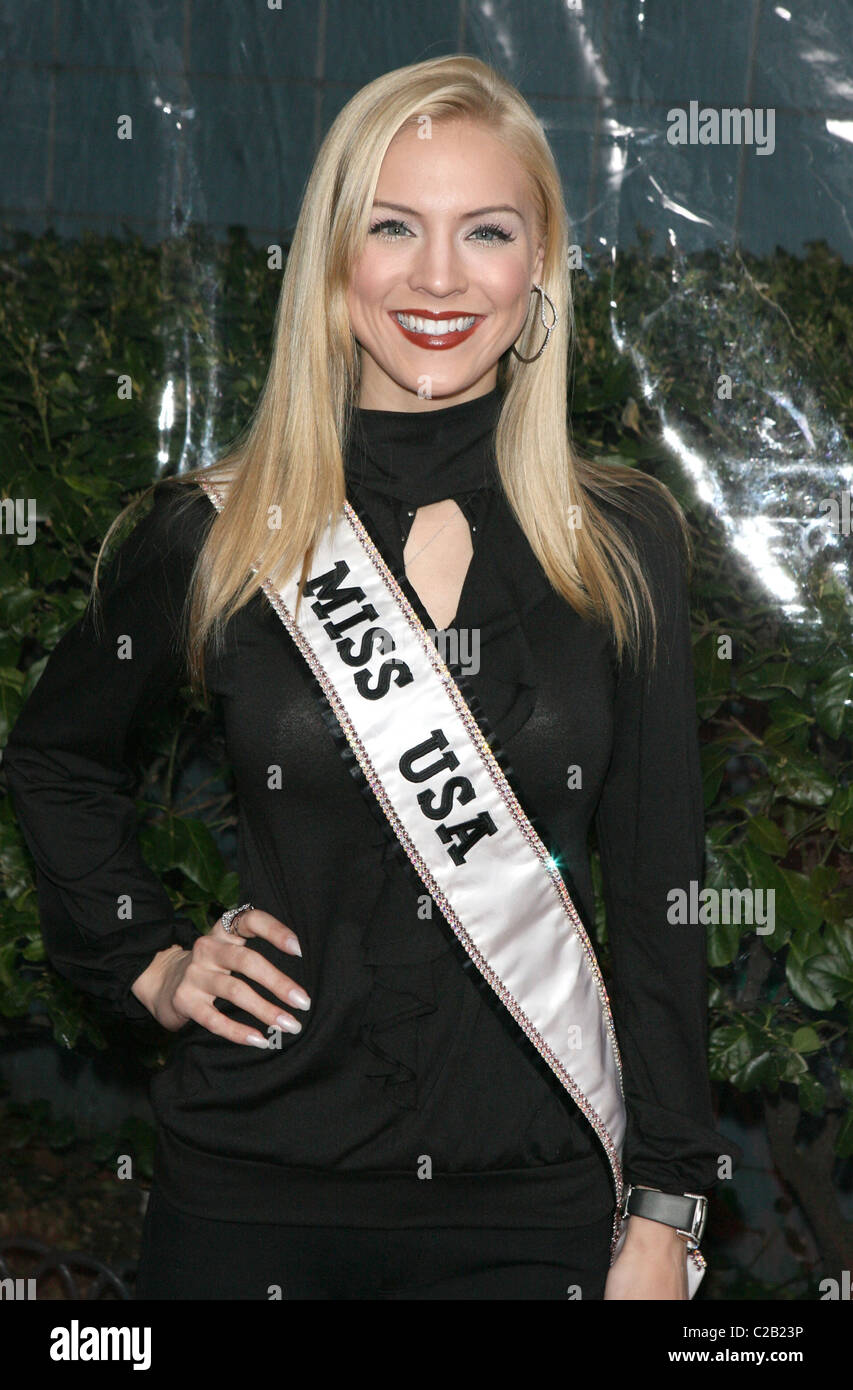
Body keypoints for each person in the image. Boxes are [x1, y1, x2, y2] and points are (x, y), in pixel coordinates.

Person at [2, 54, 732, 1300]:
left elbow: (663, 893)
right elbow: (56, 757)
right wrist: (152, 959)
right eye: (393, 226)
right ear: (335, 264)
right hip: (249, 1195)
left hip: (538, 1203)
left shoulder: (623, 540)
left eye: (485, 232)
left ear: (539, 265)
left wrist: (666, 1206)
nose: (438, 277)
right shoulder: (216, 532)